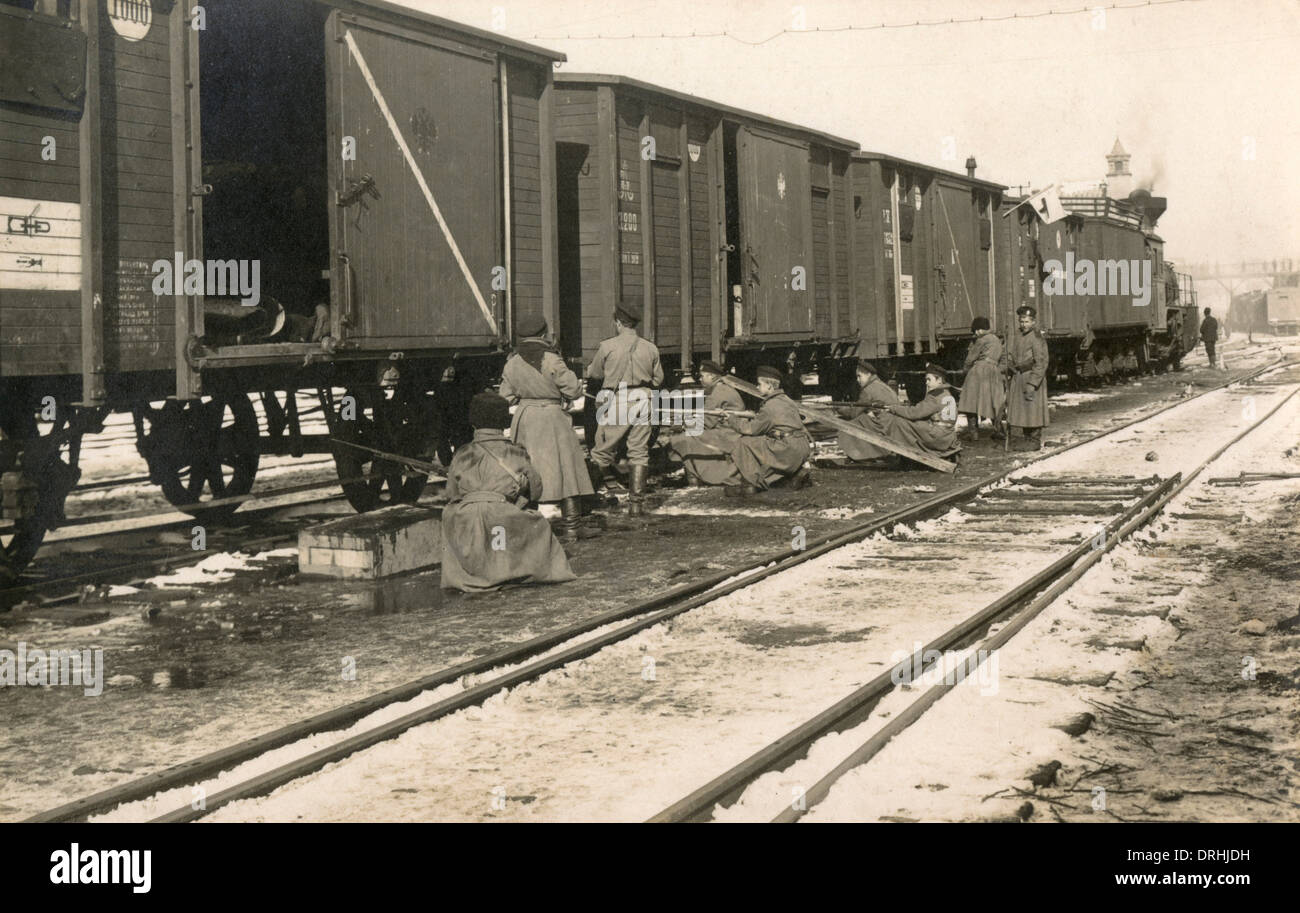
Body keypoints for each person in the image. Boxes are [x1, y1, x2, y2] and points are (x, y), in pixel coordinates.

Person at [440, 393, 576, 592]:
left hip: (466, 517)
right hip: (502, 514)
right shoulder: (515, 452)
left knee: (457, 520)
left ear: (474, 424)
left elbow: (451, 494)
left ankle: (470, 575)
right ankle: (511, 571)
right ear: (503, 423)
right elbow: (536, 491)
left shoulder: (462, 453)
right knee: (536, 526)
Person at [497, 315, 595, 542]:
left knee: (525, 471)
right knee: (567, 470)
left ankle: (528, 528)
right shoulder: (552, 360)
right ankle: (573, 526)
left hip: (526, 419)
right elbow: (573, 390)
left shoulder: (512, 362)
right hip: (553, 419)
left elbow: (506, 396)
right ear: (543, 334)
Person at [585, 302, 664, 517]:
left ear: (618, 323)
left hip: (619, 399)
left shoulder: (607, 346)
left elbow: (596, 375)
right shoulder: (650, 347)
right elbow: (658, 378)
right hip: (644, 399)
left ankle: (586, 500)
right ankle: (636, 505)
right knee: (639, 452)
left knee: (602, 451)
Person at [838, 364, 959, 464]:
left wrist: (893, 409)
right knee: (907, 424)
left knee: (899, 423)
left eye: (929, 379)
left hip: (938, 435)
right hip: (947, 433)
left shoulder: (935, 396)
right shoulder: (945, 393)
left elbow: (914, 413)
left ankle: (906, 456)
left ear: (939, 380)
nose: (926, 383)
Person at [718, 365, 811, 495]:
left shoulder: (769, 406)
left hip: (787, 449)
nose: (757, 387)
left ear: (769, 386)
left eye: (759, 384)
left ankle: (753, 483)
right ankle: (791, 476)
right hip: (802, 447)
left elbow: (750, 429)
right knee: (763, 442)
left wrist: (732, 420)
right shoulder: (787, 400)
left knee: (743, 442)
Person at [664, 360, 745, 485]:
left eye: (702, 376)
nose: (700, 379)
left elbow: (707, 422)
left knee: (681, 439)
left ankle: (695, 478)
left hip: (727, 435)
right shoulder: (723, 389)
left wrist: (682, 424)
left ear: (711, 376)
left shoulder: (718, 392)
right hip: (729, 431)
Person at [999, 305, 1049, 451]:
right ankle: (1027, 439)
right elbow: (1010, 354)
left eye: (1027, 322)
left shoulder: (1037, 338)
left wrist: (1033, 384)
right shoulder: (1017, 336)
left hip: (1031, 377)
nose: (1023, 324)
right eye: (1021, 321)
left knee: (1033, 409)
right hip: (1018, 377)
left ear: (1033, 322)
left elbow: (1041, 363)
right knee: (1024, 410)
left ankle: (1034, 440)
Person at [835, 359, 899, 461]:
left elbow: (854, 413)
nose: (857, 380)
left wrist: (839, 409)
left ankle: (860, 455)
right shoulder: (880, 384)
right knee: (865, 417)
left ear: (868, 374)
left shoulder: (867, 390)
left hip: (883, 425)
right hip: (892, 424)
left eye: (859, 376)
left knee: (851, 425)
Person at [958, 317, 1005, 442]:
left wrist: (965, 371)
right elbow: (1003, 358)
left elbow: (970, 358)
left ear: (979, 330)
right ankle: (999, 430)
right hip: (994, 371)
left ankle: (973, 433)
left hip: (979, 371)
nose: (975, 333)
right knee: (994, 401)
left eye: (975, 331)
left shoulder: (981, 340)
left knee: (970, 401)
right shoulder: (997, 340)